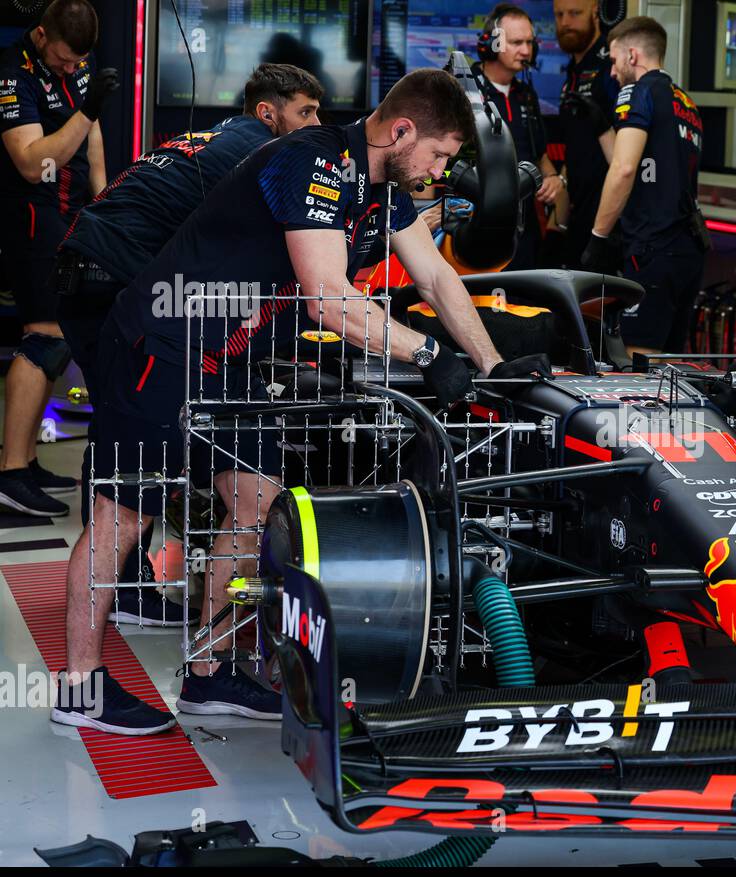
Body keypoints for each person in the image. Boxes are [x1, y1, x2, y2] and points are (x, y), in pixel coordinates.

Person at [51, 68, 551, 736]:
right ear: (400, 131)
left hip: (229, 358)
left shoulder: (380, 191)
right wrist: (430, 357)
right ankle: (78, 689)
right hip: (163, 343)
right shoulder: (313, 159)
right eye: (437, 155)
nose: (438, 172)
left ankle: (209, 673)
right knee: (125, 517)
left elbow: (434, 273)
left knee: (257, 505)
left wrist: (492, 364)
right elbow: (328, 297)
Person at [54, 63, 324, 628]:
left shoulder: (217, 137)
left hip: (84, 265)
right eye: (305, 113)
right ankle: (124, 592)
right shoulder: (258, 151)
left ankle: (125, 586)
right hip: (114, 276)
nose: (313, 126)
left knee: (116, 426)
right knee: (134, 440)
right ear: (266, 112)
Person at [0, 0, 116, 517]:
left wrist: (104, 199)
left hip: (71, 212)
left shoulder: (78, 61)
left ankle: (24, 458)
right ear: (42, 35)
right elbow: (30, 163)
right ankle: (11, 474)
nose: (73, 70)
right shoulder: (10, 74)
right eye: (66, 61)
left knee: (58, 335)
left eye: (79, 64)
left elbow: (89, 135)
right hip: (29, 214)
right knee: (43, 335)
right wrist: (88, 108)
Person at [580, 16, 705, 356]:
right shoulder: (685, 102)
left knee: (640, 365)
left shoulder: (638, 90)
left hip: (653, 247)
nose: (612, 70)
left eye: (614, 59)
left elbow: (623, 169)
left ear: (632, 55)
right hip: (687, 250)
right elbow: (638, 165)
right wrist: (603, 126)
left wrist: (598, 237)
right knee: (668, 363)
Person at [473, 3, 565, 269]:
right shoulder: (462, 88)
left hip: (524, 229)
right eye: (516, 42)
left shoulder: (527, 95)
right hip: (473, 225)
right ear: (490, 44)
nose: (526, 50)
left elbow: (540, 157)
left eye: (529, 42)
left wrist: (555, 181)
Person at [554, 0, 620, 268]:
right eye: (559, 15)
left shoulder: (611, 65)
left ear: (594, 11)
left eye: (574, 13)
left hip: (608, 217)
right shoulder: (573, 69)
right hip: (578, 210)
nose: (565, 22)